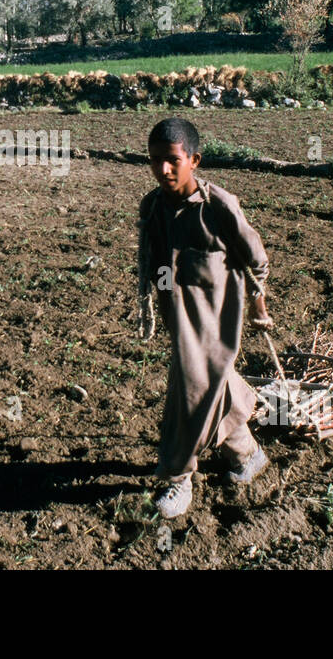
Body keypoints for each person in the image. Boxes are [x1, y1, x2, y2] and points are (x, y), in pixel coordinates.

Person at [136, 117, 274, 519]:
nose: (163, 169)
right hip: (179, 318)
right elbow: (152, 259)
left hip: (217, 322)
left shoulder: (219, 208)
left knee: (192, 389)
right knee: (209, 387)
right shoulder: (154, 207)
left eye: (172, 161)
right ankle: (246, 453)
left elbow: (256, 262)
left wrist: (259, 309)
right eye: (154, 160)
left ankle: (178, 477)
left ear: (193, 160)